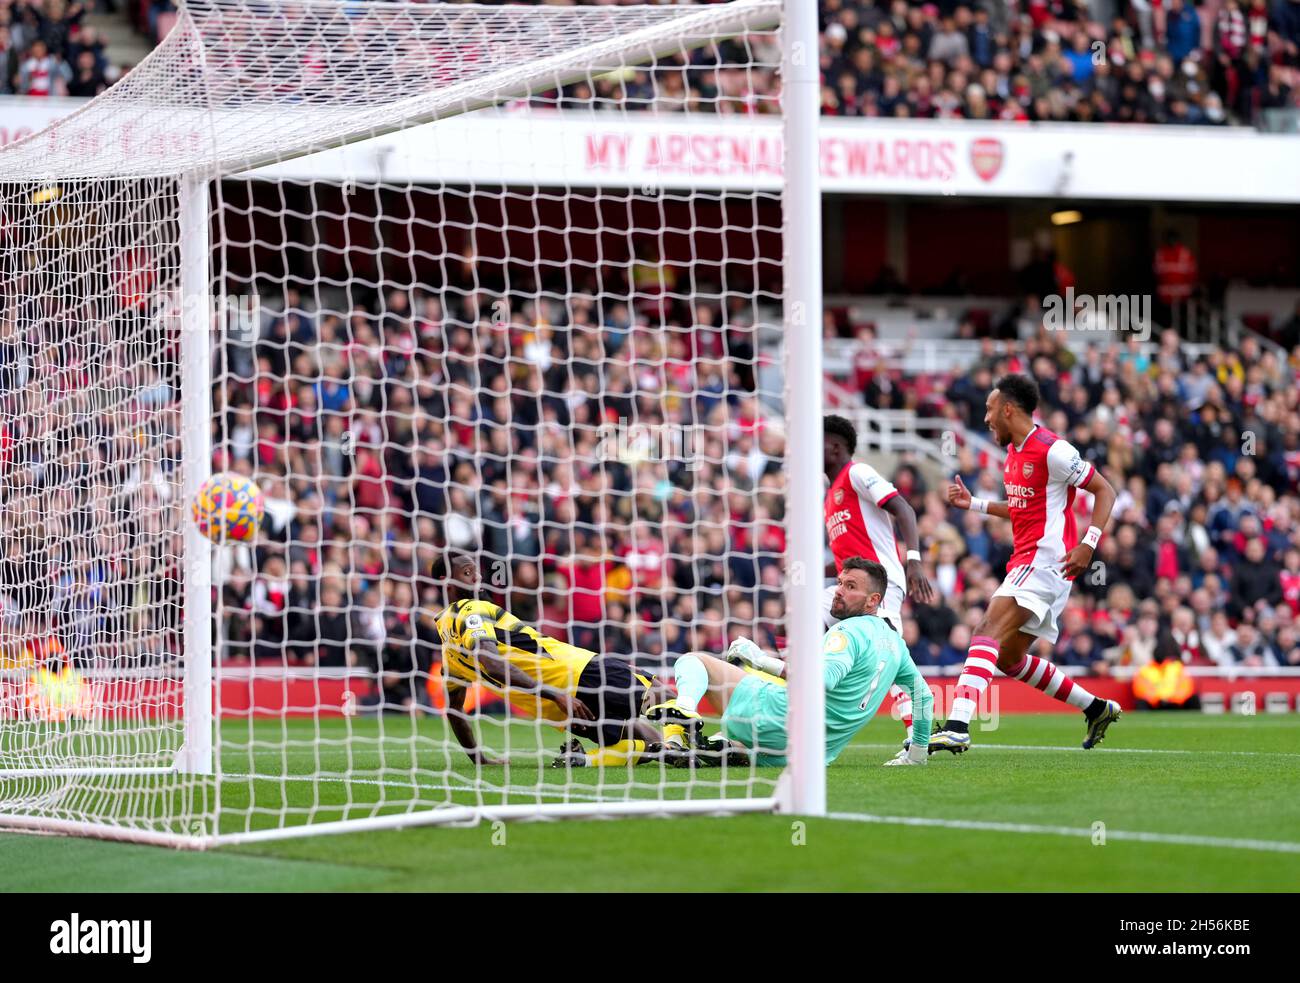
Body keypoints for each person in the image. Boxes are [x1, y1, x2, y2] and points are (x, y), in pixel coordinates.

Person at [930, 373, 1123, 752]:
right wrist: (976, 505)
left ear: (1007, 409)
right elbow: (1022, 509)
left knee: (986, 628)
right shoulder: (1014, 453)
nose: (985, 419)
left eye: (989, 410)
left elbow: (1106, 490)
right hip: (1035, 563)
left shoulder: (1053, 449)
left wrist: (1090, 543)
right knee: (1009, 658)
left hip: (1045, 561)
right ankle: (1096, 707)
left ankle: (956, 725)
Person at [646, 558, 934, 768]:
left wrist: (761, 660)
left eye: (850, 586)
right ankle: (725, 747)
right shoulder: (896, 645)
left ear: (873, 600)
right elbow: (923, 696)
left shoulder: (847, 632)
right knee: (728, 735)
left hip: (776, 716)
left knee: (694, 660)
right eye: (839, 583)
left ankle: (684, 708)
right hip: (810, 753)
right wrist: (917, 753)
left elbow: (819, 682)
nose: (838, 590)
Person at [434, 551, 681, 768]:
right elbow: (493, 663)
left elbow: (454, 711)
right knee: (664, 696)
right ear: (446, 582)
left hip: (563, 713)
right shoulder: (471, 610)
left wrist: (478, 759)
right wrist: (555, 693)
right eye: (468, 573)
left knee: (649, 742)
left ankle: (588, 760)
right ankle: (700, 743)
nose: (477, 577)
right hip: (577, 672)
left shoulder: (450, 656)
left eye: (477, 571)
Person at [822, 414, 935, 749]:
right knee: (796, 625)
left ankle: (919, 731)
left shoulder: (857, 473)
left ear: (837, 446)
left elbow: (904, 509)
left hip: (879, 585)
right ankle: (793, 701)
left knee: (889, 655)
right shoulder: (830, 497)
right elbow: (846, 558)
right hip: (850, 587)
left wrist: (914, 560)